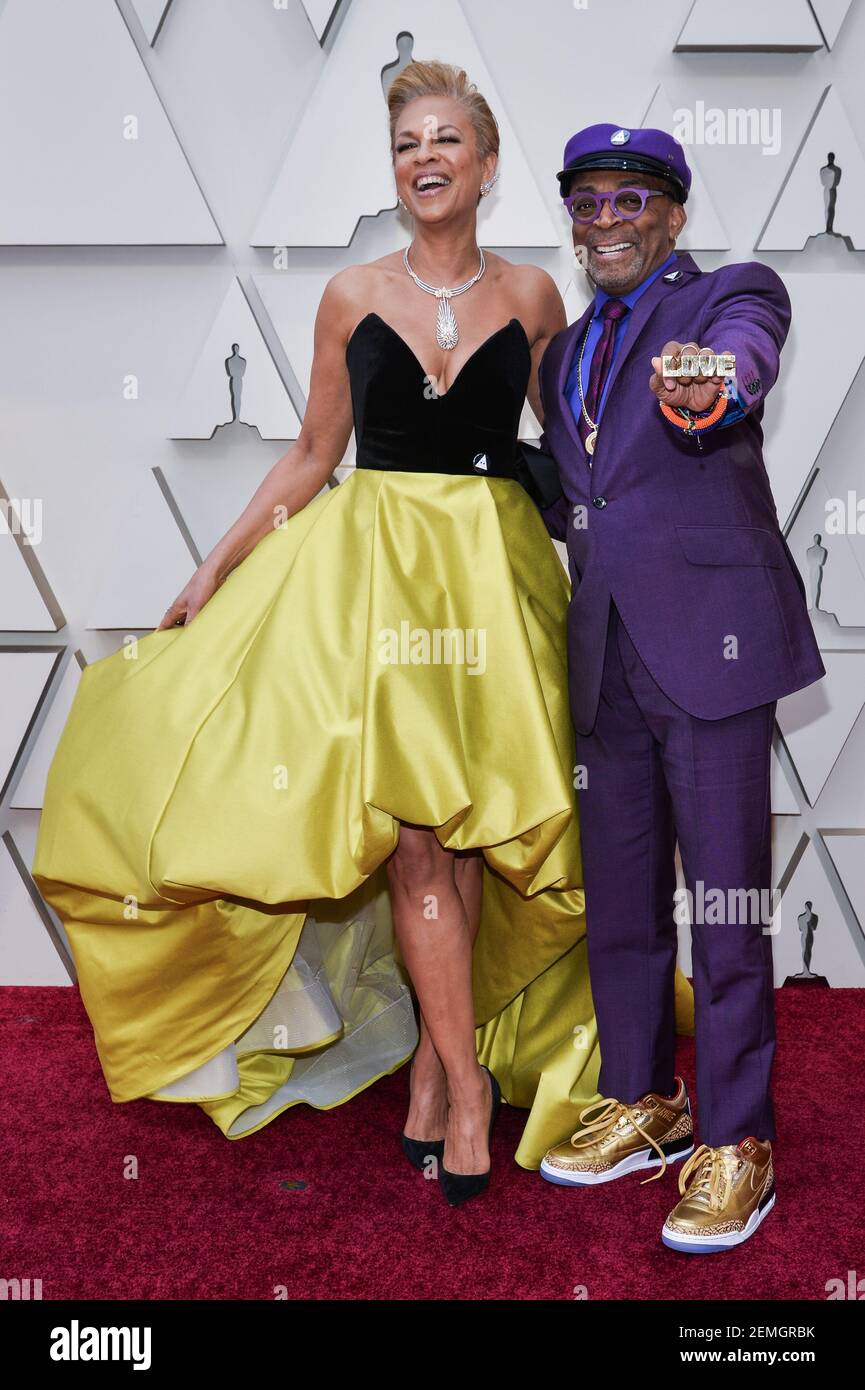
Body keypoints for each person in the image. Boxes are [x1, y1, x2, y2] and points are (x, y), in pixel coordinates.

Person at [30, 68, 695, 1210]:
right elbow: (309, 455)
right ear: (394, 170)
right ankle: (468, 1088)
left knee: (477, 828)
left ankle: (439, 1068)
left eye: (446, 140)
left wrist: (642, 552)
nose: (424, 157)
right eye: (404, 144)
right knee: (415, 842)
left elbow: (576, 445)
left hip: (487, 584)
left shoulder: (537, 296)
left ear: (486, 164)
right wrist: (211, 567)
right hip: (377, 587)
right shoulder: (347, 294)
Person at [535, 123, 825, 1252]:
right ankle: (648, 1100)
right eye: (587, 202)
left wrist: (715, 384)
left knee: (728, 907)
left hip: (710, 646)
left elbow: (739, 357)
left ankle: (739, 1140)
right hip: (602, 650)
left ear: (674, 212)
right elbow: (581, 491)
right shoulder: (560, 355)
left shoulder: (725, 297)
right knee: (619, 900)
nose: (606, 221)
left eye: (630, 200)